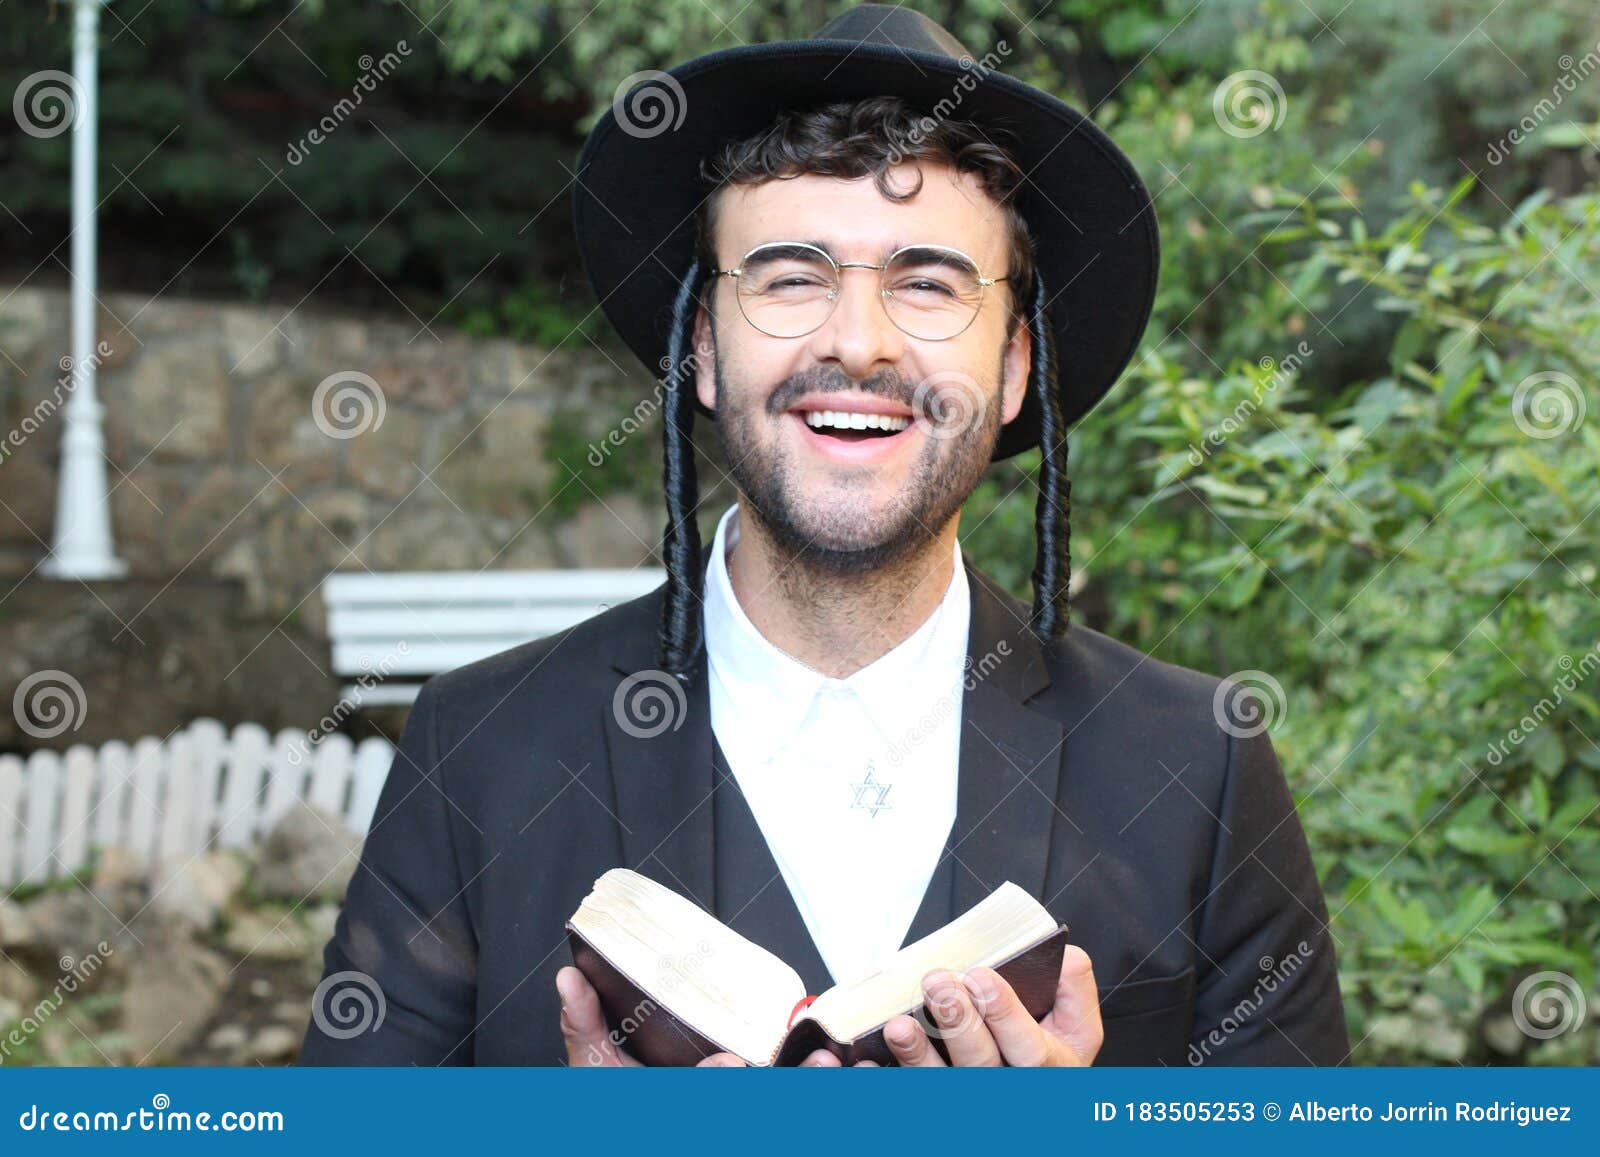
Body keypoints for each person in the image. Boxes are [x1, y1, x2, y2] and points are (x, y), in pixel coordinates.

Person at [299, 4, 1349, 1068]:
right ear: (704, 348)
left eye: (929, 282)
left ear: (1014, 364)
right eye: (793, 276)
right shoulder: (479, 755)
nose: (858, 341)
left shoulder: (1195, 768)